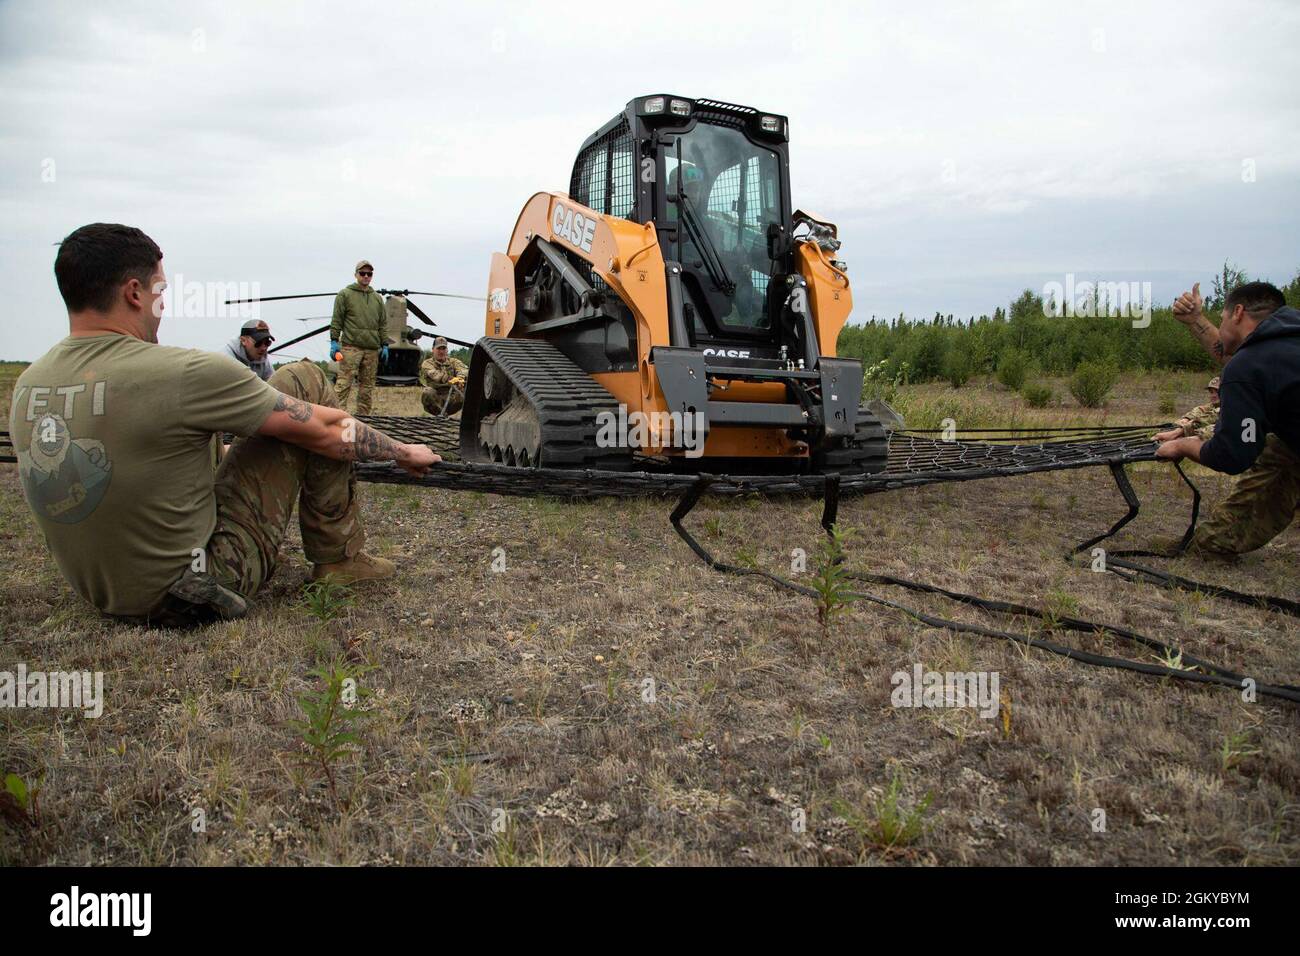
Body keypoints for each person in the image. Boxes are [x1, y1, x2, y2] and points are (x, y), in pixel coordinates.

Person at [9, 223, 439, 627]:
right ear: (134, 293)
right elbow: (328, 432)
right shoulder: (182, 372)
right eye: (161, 291)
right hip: (193, 591)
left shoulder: (29, 385)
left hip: (101, 594)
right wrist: (403, 452)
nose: (164, 304)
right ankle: (340, 559)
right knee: (305, 378)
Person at [1155, 281, 1300, 555]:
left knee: (1211, 544)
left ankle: (1217, 542)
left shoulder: (1252, 365)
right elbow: (1243, 359)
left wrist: (1182, 445)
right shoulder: (1283, 343)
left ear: (1238, 313)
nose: (1219, 326)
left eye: (1221, 317)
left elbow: (1233, 455)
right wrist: (1196, 320)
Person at [330, 259, 388, 414]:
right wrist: (334, 341)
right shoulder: (345, 295)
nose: (366, 276)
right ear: (356, 274)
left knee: (367, 388)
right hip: (350, 347)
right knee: (343, 384)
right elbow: (337, 320)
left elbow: (382, 323)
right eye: (363, 273)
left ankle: (364, 419)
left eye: (369, 274)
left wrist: (385, 344)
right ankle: (336, 415)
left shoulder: (377, 298)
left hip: (372, 350)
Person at [1152, 376, 1220, 443]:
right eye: (1211, 392)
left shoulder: (1228, 407)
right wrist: (1186, 419)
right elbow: (1200, 409)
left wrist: (1177, 432)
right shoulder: (1214, 404)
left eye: (1217, 392)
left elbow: (1211, 417)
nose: (1213, 395)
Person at [419, 336, 468, 416]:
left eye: (444, 349)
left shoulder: (454, 361)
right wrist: (452, 380)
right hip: (435, 399)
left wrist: (460, 377)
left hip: (453, 398)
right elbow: (436, 376)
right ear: (433, 350)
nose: (441, 352)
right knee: (427, 392)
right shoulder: (427, 363)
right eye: (438, 349)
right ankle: (442, 416)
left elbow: (464, 370)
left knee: (468, 388)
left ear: (447, 350)